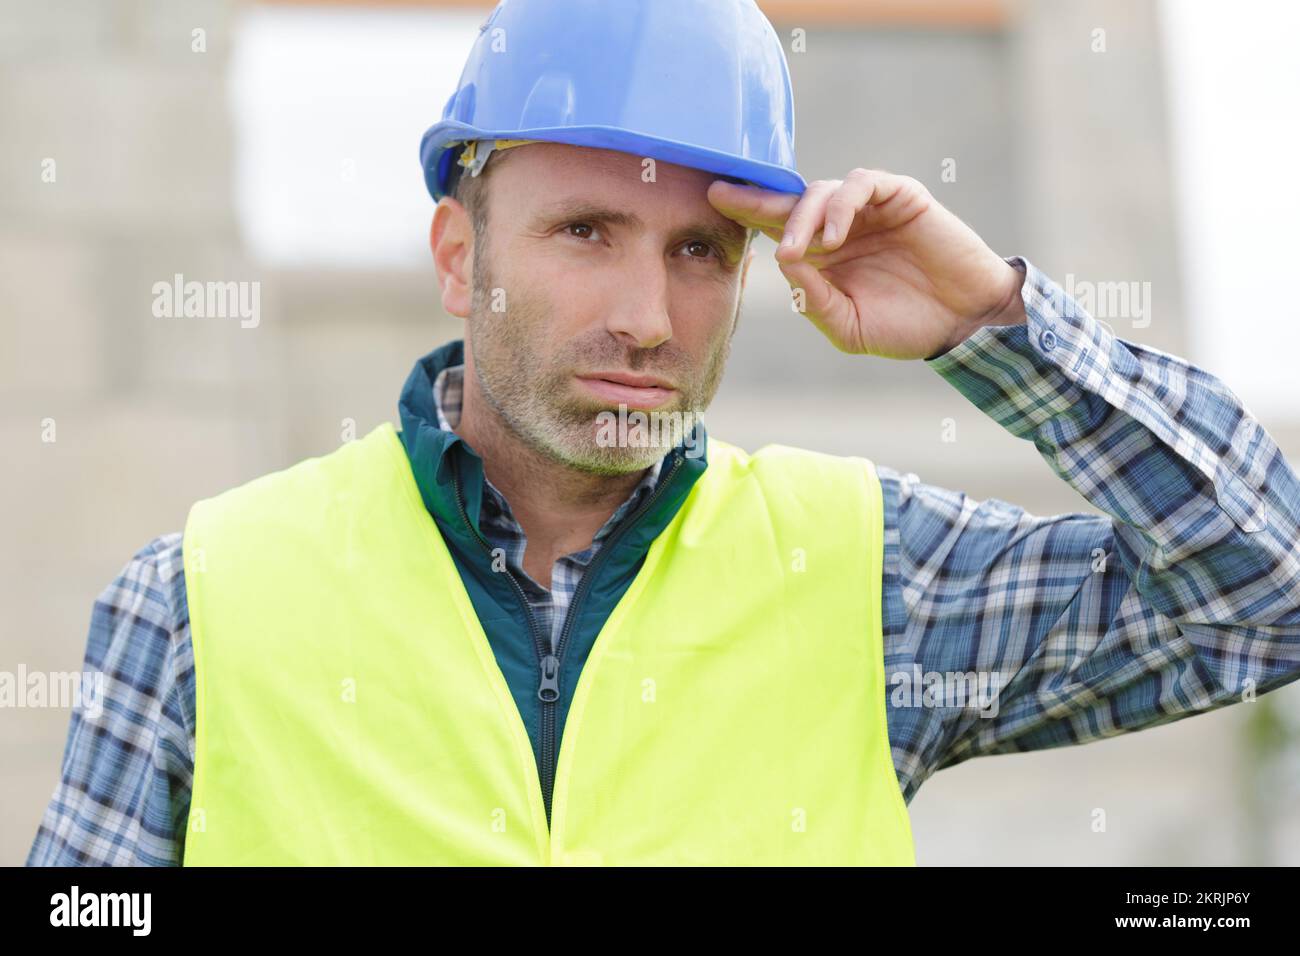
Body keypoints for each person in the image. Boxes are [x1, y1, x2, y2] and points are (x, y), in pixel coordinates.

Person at [28, 0, 1300, 866]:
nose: (648, 318)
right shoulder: (199, 601)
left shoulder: (874, 576)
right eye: (585, 231)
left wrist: (994, 324)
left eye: (700, 250)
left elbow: (1267, 597)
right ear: (459, 255)